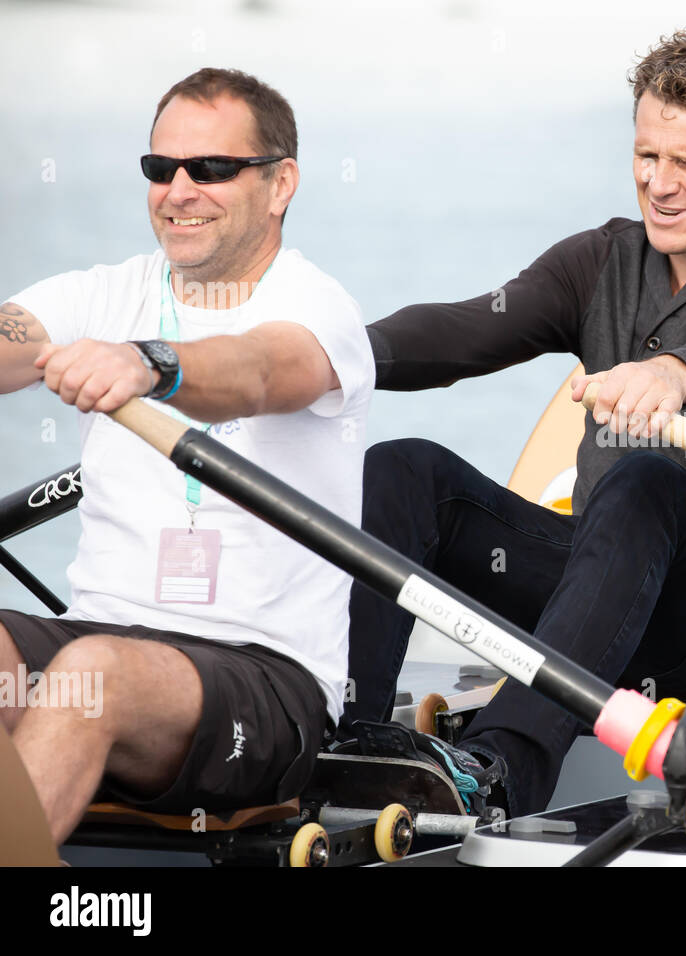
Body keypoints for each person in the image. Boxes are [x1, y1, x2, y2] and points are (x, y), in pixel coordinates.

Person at [350, 26, 686, 816]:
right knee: (403, 470)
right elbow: (467, 328)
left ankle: (504, 768)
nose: (660, 184)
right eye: (647, 156)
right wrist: (326, 356)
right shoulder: (601, 262)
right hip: (608, 598)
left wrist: (676, 371)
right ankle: (351, 740)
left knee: (645, 482)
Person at [0, 68, 373, 844]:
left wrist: (153, 363)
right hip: (102, 632)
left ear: (280, 185)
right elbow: (13, 336)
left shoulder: (319, 310)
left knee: (87, 679)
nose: (177, 190)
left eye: (209, 169)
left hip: (266, 681)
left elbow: (261, 370)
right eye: (159, 169)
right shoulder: (104, 293)